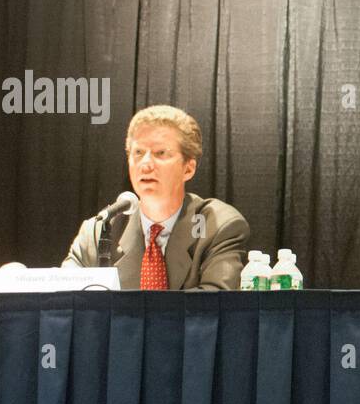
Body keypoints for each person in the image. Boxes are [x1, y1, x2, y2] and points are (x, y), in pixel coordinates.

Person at [62, 105, 248, 290]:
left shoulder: (217, 226)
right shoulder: (101, 231)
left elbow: (214, 307)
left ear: (188, 168)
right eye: (138, 153)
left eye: (161, 153)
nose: (146, 164)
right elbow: (63, 304)